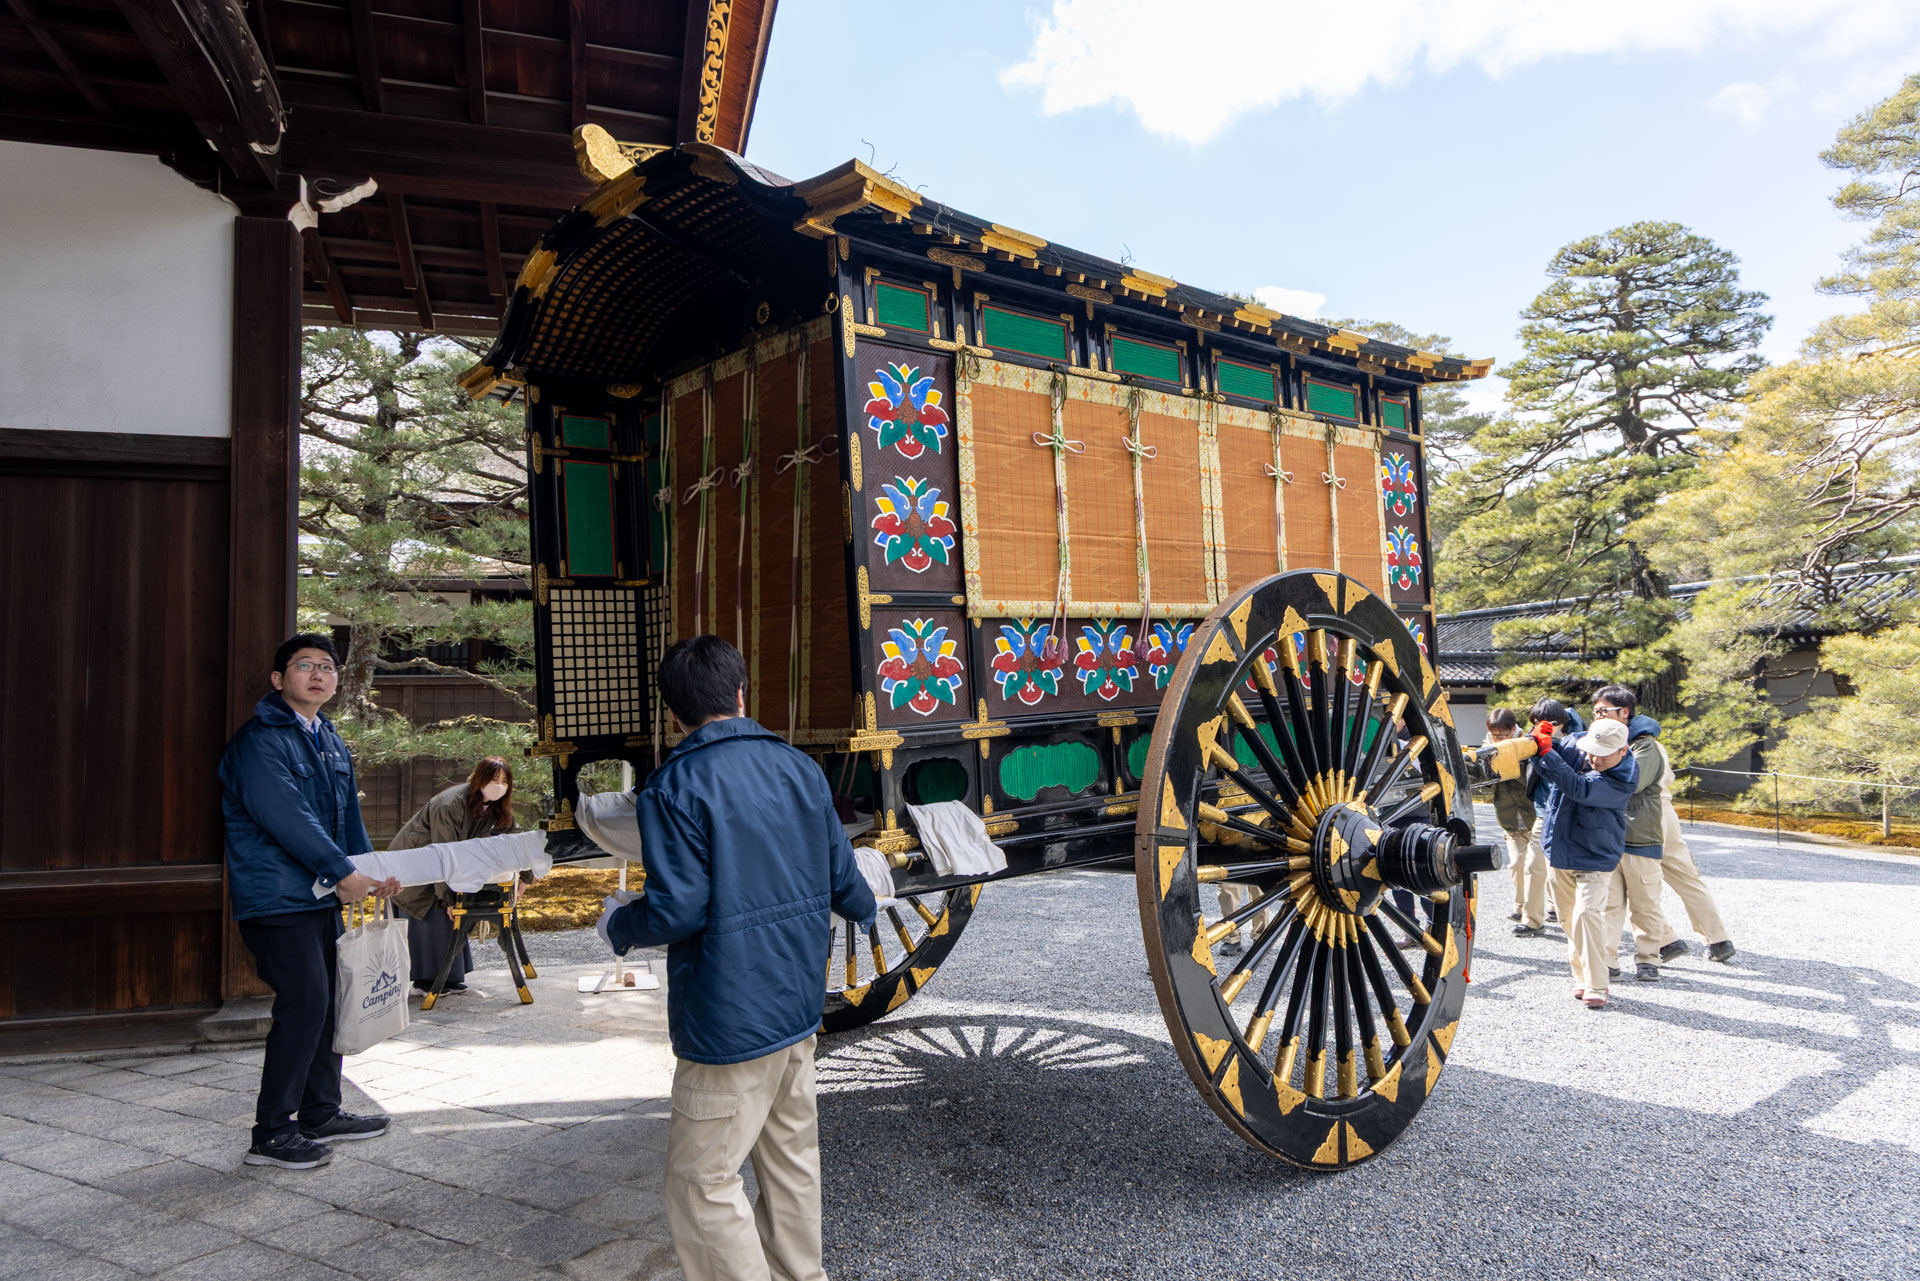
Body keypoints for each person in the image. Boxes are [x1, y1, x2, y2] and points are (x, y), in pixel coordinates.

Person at [597, 636, 876, 1281]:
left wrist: (620, 922)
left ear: (673, 714)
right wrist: (868, 902)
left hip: (728, 1012)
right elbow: (844, 881)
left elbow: (678, 911)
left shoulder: (673, 786)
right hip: (798, 999)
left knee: (701, 1183)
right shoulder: (799, 767)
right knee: (792, 1161)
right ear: (743, 695)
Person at [219, 633, 400, 1170]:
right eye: (304, 666)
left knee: (329, 1003)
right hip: (277, 898)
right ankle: (272, 1134)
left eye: (327, 667)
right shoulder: (259, 742)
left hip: (319, 896)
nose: (318, 675)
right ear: (279, 680)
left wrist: (374, 871)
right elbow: (287, 818)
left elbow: (347, 819)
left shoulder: (326, 737)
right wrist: (342, 872)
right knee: (304, 1005)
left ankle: (321, 1111)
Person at [1531, 713, 1637, 1010]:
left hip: (1595, 855)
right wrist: (1538, 741)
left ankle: (1597, 984)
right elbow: (1545, 762)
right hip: (1559, 849)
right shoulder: (1579, 747)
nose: (1595, 759)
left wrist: (1548, 752)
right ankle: (1582, 976)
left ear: (1623, 751)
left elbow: (1580, 788)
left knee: (1587, 915)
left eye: (1604, 755)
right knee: (1567, 919)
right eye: (1591, 751)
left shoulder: (1624, 778)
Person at [390, 757, 518, 993]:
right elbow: (442, 853)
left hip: (445, 865)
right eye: (493, 779)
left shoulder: (496, 806)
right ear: (479, 778)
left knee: (450, 918)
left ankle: (449, 976)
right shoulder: (450, 804)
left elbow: (516, 838)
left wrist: (527, 876)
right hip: (417, 862)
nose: (499, 785)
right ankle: (428, 979)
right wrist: (448, 898)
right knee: (434, 914)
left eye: (504, 781)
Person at [1592, 687, 1678, 982]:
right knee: (1609, 905)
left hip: (1642, 837)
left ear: (1624, 713)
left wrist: (1598, 771)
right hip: (1610, 838)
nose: (1598, 717)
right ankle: (1607, 960)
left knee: (1645, 905)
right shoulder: (1601, 746)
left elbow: (1632, 781)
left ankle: (1648, 959)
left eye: (1604, 711)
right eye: (1596, 712)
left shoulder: (1646, 747)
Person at [1655, 750, 1739, 964]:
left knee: (1637, 880)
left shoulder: (1625, 739)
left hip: (1644, 814)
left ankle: (1665, 940)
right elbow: (1669, 777)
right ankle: (1719, 939)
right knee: (1687, 878)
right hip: (1666, 810)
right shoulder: (1653, 742)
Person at [1484, 709, 1548, 936]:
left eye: (1502, 735)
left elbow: (1533, 780)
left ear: (1514, 729)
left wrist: (1512, 760)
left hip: (1533, 815)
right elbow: (1485, 787)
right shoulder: (1488, 747)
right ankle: (1521, 906)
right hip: (1509, 818)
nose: (1498, 740)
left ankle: (1532, 914)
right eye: (1495, 736)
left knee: (1534, 866)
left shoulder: (1528, 744)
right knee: (1516, 865)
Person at [1527, 699, 1586, 925]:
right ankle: (1531, 918)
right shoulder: (1535, 739)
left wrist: (1549, 749)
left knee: (1567, 873)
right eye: (1536, 722)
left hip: (1571, 817)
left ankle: (1568, 916)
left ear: (1561, 722)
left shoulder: (1578, 744)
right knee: (1533, 866)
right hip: (1544, 813)